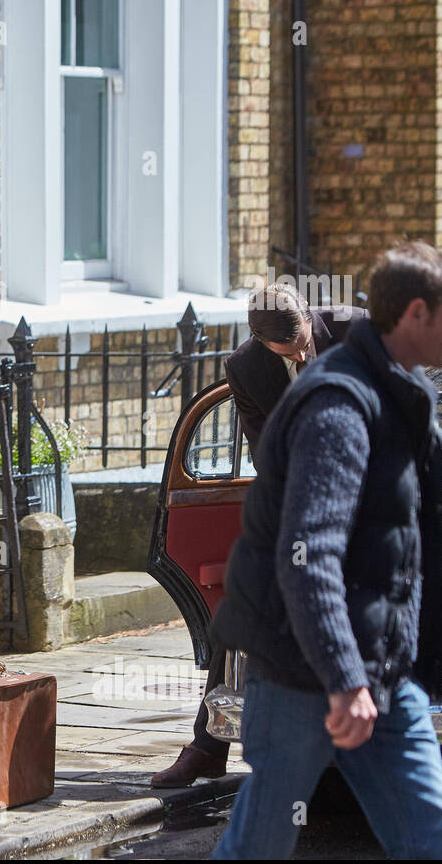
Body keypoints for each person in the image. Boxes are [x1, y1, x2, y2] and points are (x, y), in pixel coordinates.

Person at [209, 241, 442, 859]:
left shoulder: (399, 388)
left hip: (382, 669)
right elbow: (309, 554)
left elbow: (406, 543)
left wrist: (415, 655)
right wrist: (345, 678)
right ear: (413, 315)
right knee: (261, 845)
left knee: (435, 842)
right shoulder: (338, 408)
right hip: (309, 671)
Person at [152, 285, 366, 787]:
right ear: (259, 340)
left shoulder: (357, 328)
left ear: (309, 317)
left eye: (302, 342)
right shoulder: (245, 368)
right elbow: (265, 451)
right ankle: (208, 747)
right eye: (285, 351)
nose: (297, 353)